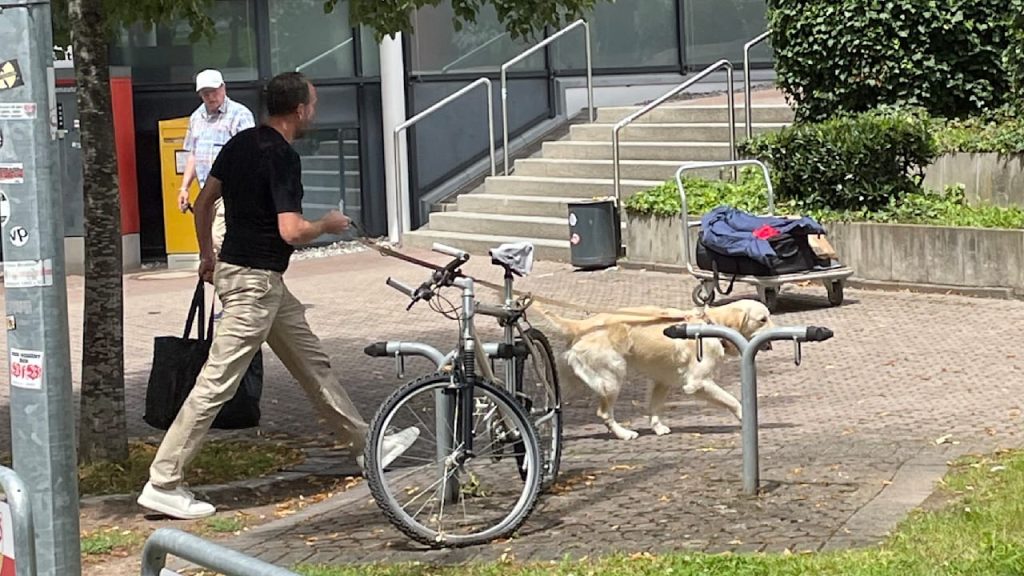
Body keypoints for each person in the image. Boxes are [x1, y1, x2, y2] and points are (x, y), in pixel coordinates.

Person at [137, 72, 419, 520]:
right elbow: (291, 232)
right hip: (255, 284)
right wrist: (326, 225)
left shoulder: (241, 143)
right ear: (300, 110)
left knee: (313, 364)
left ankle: (366, 446)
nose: (314, 112)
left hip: (254, 278)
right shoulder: (282, 156)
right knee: (215, 383)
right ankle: (164, 480)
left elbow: (206, 201)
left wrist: (208, 256)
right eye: (313, 104)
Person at [178, 68, 255, 255]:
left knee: (219, 239)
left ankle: (232, 278)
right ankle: (227, 279)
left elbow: (251, 154)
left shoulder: (240, 115)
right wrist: (184, 187)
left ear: (224, 88)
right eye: (206, 93)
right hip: (206, 191)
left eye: (214, 91)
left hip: (230, 190)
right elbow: (193, 154)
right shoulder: (196, 117)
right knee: (209, 243)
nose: (211, 97)